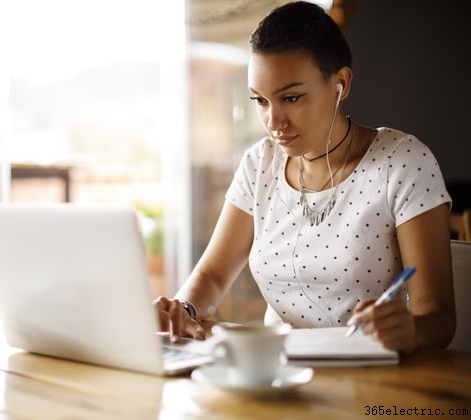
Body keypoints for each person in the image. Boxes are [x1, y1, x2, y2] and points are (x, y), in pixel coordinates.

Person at [154, 1, 455, 355]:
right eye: (260, 100)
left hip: (370, 380)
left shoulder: (402, 162)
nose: (273, 122)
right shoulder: (258, 164)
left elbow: (439, 319)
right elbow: (213, 276)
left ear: (340, 84)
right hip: (275, 372)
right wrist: (184, 309)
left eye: (291, 98)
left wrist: (412, 329)